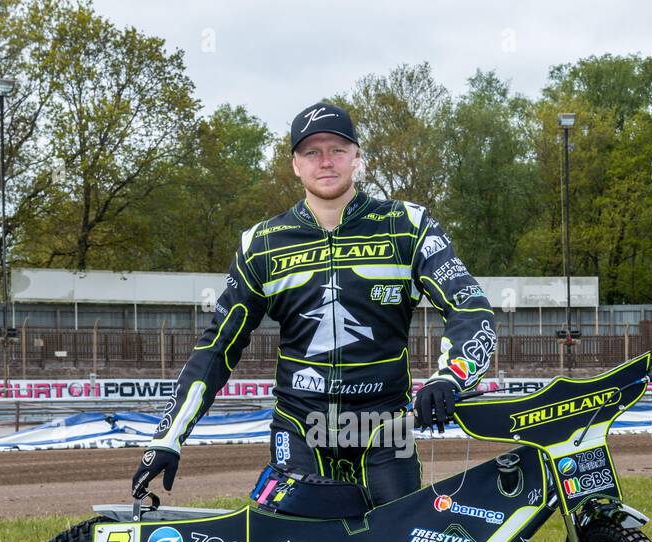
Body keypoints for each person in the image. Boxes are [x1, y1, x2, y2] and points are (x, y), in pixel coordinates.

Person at [131, 101, 496, 508]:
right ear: (295, 165)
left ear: (357, 157)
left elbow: (470, 306)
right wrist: (168, 437)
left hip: (386, 429)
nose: (326, 162)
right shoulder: (262, 243)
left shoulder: (408, 226)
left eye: (338, 149)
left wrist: (451, 377)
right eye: (311, 152)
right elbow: (218, 345)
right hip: (300, 431)